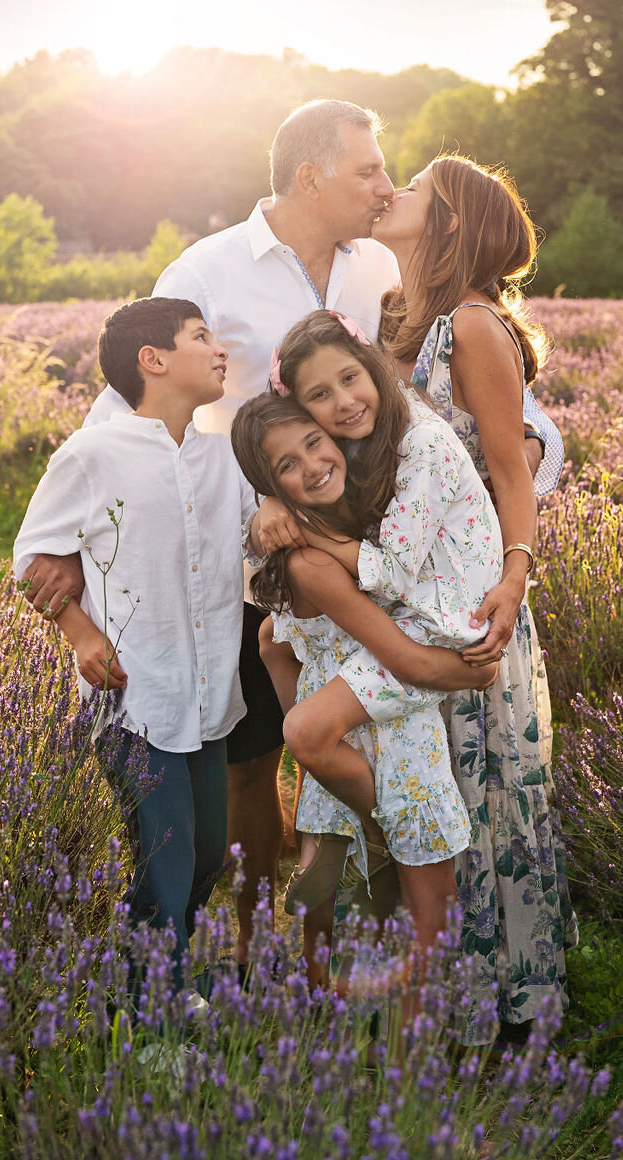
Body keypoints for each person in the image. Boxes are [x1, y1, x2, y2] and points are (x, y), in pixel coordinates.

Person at [19, 99, 400, 968]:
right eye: (369, 169)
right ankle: (242, 933)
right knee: (249, 755)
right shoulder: (210, 267)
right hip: (243, 554)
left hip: (365, 550)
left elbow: (426, 365)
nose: (386, 184)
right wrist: (72, 553)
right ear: (311, 176)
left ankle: (357, 932)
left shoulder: (377, 262)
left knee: (366, 731)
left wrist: (534, 436)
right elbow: (127, 404)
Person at [375, 155, 579, 1028]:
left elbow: (512, 467)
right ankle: (416, 981)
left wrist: (513, 577)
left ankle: (480, 995)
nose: (394, 195)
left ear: (448, 222)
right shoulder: (404, 315)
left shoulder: (472, 327)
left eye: (413, 189)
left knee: (470, 786)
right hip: (400, 591)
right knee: (416, 784)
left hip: (466, 600)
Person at [12, 298, 256, 997]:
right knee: (166, 861)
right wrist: (81, 635)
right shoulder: (92, 455)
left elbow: (253, 535)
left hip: (209, 694)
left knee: (209, 849)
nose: (219, 349)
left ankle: (153, 972)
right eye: (200, 337)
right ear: (153, 361)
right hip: (134, 698)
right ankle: (153, 1012)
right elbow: (33, 557)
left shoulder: (222, 454)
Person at [232, 381, 503, 982]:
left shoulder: (336, 542)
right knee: (395, 903)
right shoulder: (329, 554)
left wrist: (308, 749)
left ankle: (339, 1015)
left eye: (314, 443)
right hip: (389, 736)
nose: (313, 463)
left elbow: (272, 645)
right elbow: (400, 656)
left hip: (338, 747)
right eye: (288, 465)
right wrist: (468, 671)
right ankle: (377, 842)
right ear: (270, 486)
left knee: (335, 906)